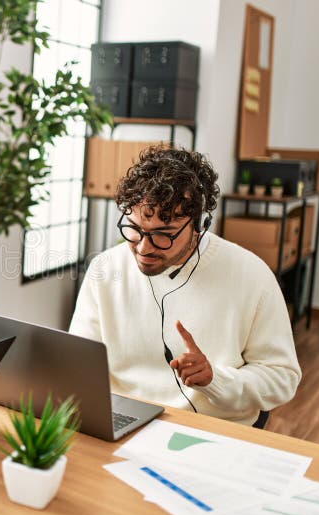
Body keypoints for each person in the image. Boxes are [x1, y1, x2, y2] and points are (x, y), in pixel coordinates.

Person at [69, 144, 300, 426]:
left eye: (163, 235)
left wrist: (216, 379)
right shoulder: (104, 269)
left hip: (211, 429)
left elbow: (283, 377)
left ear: (200, 225)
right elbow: (78, 361)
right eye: (134, 228)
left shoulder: (253, 276)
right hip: (121, 420)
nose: (143, 247)